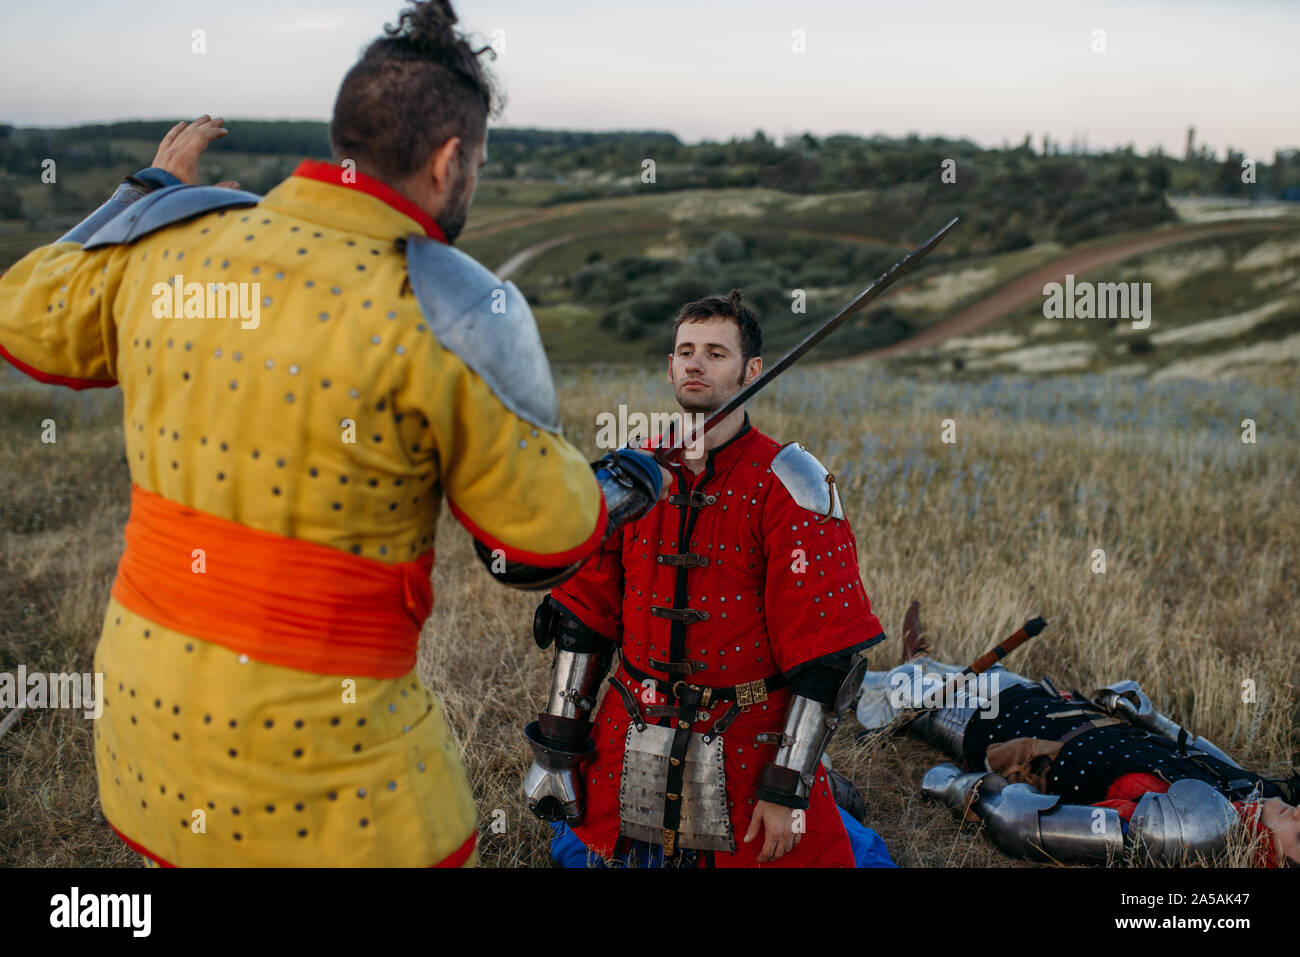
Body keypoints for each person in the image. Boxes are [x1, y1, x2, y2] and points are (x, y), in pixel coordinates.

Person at [0, 0, 669, 867]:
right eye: (477, 165)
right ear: (450, 159)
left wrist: (145, 195)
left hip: (147, 741)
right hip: (339, 791)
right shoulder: (454, 306)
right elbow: (542, 538)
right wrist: (626, 483)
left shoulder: (176, 241)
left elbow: (24, 312)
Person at [522, 289, 894, 867]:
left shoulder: (790, 485)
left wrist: (784, 789)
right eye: (686, 351)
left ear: (752, 371)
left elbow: (826, 656)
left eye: (716, 353)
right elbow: (584, 619)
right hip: (631, 730)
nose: (695, 363)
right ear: (670, 366)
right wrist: (557, 753)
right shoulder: (631, 477)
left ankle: (827, 798)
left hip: (749, 743)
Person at [857, 602, 1300, 867]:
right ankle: (919, 660)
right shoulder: (1255, 791)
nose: (1299, 817)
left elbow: (1026, 824)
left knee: (882, 689)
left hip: (997, 729)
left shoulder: (1191, 828)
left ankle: (868, 669)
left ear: (1274, 856)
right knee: (944, 673)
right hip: (1050, 703)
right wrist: (1148, 716)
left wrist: (954, 787)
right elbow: (1194, 750)